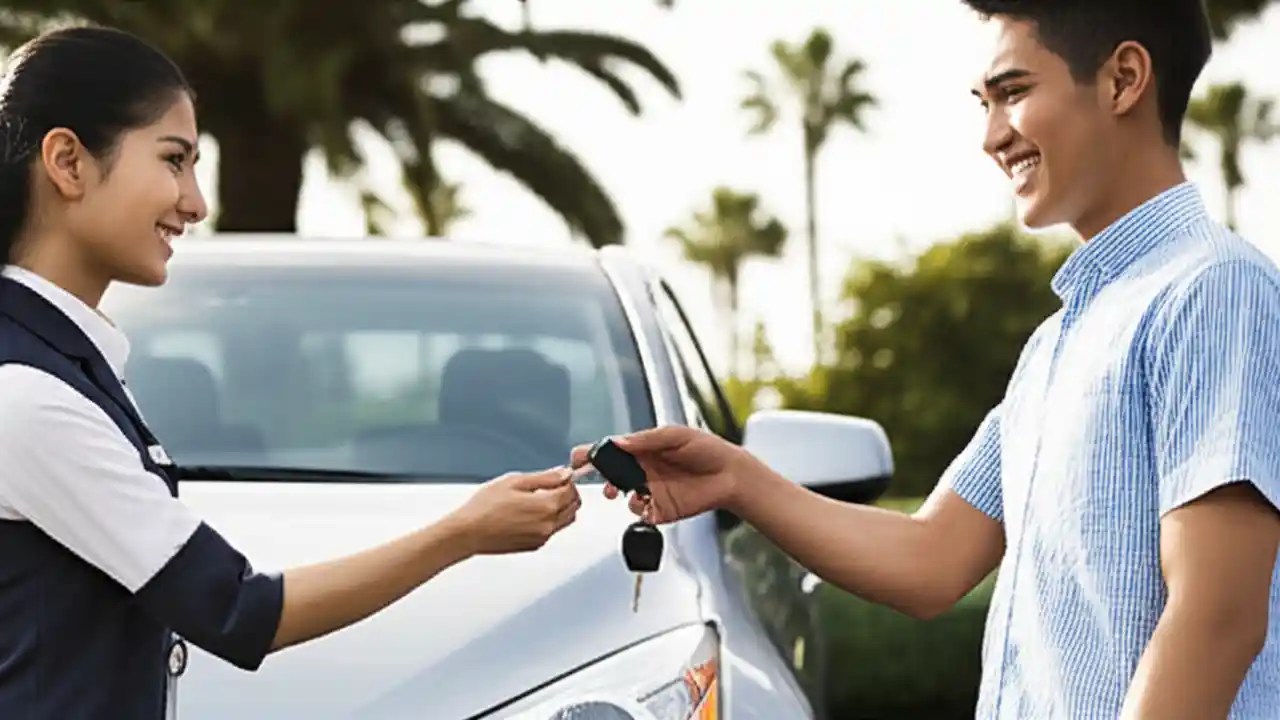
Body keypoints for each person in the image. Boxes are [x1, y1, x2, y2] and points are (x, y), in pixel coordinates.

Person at [574, 1, 1280, 718]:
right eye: (983, 103)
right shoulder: (1057, 344)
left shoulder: (1214, 291)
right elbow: (933, 556)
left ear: (1124, 79)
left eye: (1013, 93)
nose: (991, 137)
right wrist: (735, 477)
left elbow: (1217, 618)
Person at [0, 25, 581, 719]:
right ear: (68, 161)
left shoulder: (63, 367)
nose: (196, 202)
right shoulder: (28, 396)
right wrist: (462, 533)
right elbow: (241, 610)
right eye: (174, 160)